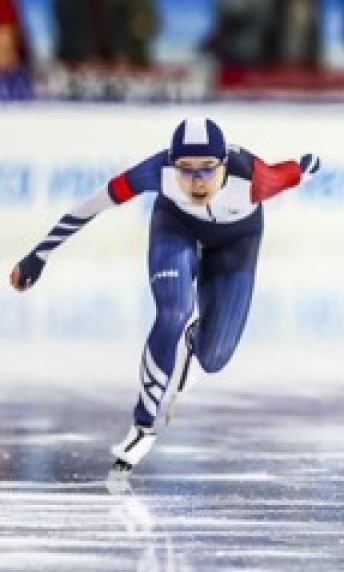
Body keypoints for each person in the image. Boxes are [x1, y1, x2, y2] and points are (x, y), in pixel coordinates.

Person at [9, 117, 321, 476]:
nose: (197, 182)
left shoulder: (256, 178)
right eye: (185, 171)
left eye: (207, 169)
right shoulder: (154, 171)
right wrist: (39, 254)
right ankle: (142, 427)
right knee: (174, 309)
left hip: (237, 242)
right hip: (176, 230)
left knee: (215, 357)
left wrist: (307, 166)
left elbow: (299, 170)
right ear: (172, 165)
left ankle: (195, 343)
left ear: (223, 165)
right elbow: (91, 205)